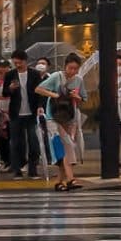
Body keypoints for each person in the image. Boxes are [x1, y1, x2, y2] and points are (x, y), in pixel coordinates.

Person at [37, 53, 86, 190]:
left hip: (69, 117)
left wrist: (76, 97)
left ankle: (60, 182)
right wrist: (54, 94)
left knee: (68, 147)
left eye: (76, 69)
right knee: (62, 147)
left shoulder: (79, 80)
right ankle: (70, 179)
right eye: (70, 68)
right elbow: (39, 89)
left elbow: (84, 98)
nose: (73, 71)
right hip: (53, 116)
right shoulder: (56, 77)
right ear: (65, 66)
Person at [4, 50, 46, 180]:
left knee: (33, 141)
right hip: (16, 113)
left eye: (19, 62)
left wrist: (40, 106)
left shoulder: (34, 74)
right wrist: (10, 88)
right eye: (15, 63)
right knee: (17, 142)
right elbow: (5, 92)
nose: (17, 65)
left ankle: (33, 169)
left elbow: (41, 92)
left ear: (25, 61)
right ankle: (17, 169)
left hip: (32, 113)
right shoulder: (10, 75)